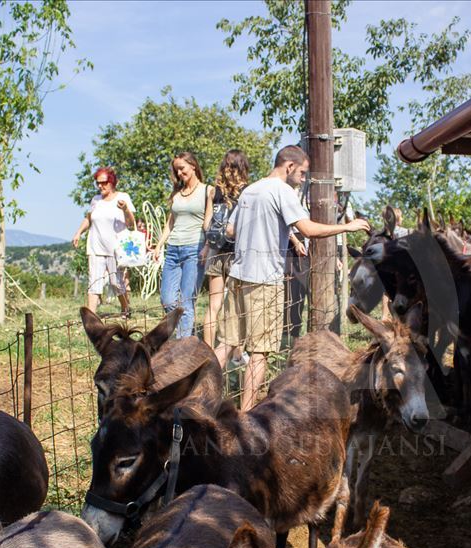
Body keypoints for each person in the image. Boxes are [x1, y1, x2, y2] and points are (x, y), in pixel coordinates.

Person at [218, 145, 371, 409]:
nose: (302, 179)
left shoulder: (250, 190)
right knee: (259, 353)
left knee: (225, 344)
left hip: (237, 275)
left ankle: (198, 399)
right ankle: (245, 414)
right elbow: (308, 229)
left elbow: (230, 230)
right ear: (289, 167)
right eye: (301, 173)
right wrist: (347, 226)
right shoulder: (282, 191)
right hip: (264, 280)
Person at [154, 152, 211, 338]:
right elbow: (170, 223)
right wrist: (159, 245)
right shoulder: (177, 194)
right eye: (176, 170)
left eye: (182, 168)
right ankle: (184, 332)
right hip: (173, 250)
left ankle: (184, 346)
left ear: (193, 166)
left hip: (194, 249)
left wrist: (207, 246)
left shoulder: (207, 191)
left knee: (187, 301)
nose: (179, 173)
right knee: (167, 299)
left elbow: (210, 223)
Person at [201, 149, 250, 353]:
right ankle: (237, 352)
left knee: (213, 306)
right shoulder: (248, 191)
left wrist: (207, 246)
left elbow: (206, 224)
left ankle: (207, 352)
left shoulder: (214, 191)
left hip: (216, 253)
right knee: (237, 306)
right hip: (237, 254)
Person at [72, 166, 136, 316]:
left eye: (104, 182)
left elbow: (131, 223)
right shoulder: (96, 200)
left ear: (112, 182)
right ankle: (91, 316)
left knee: (116, 282)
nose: (100, 186)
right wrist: (78, 233)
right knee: (94, 283)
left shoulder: (123, 197)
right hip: (95, 247)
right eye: (97, 183)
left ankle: (126, 310)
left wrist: (125, 209)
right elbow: (88, 218)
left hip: (116, 248)